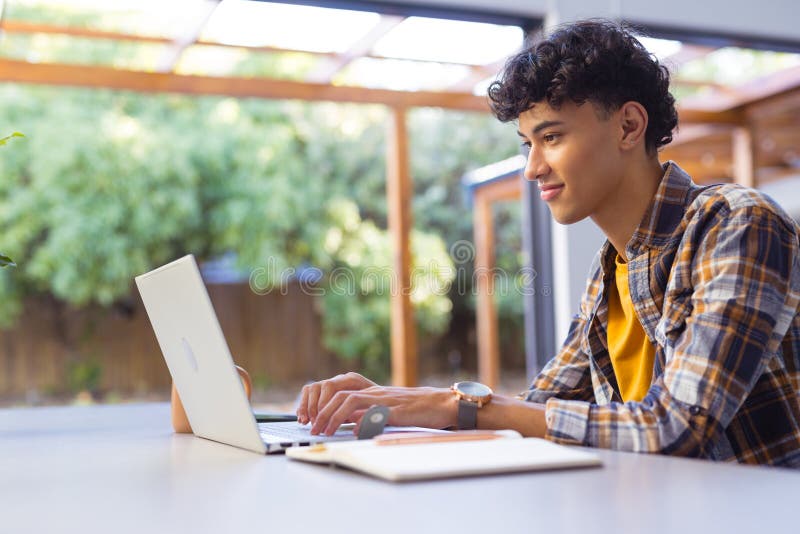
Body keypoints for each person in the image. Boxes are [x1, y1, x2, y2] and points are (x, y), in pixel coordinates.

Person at [296, 19, 800, 466]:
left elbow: (678, 427)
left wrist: (458, 405)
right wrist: (397, 405)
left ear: (629, 126)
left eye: (552, 137)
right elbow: (537, 410)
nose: (533, 168)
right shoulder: (611, 271)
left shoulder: (737, 224)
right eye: (528, 144)